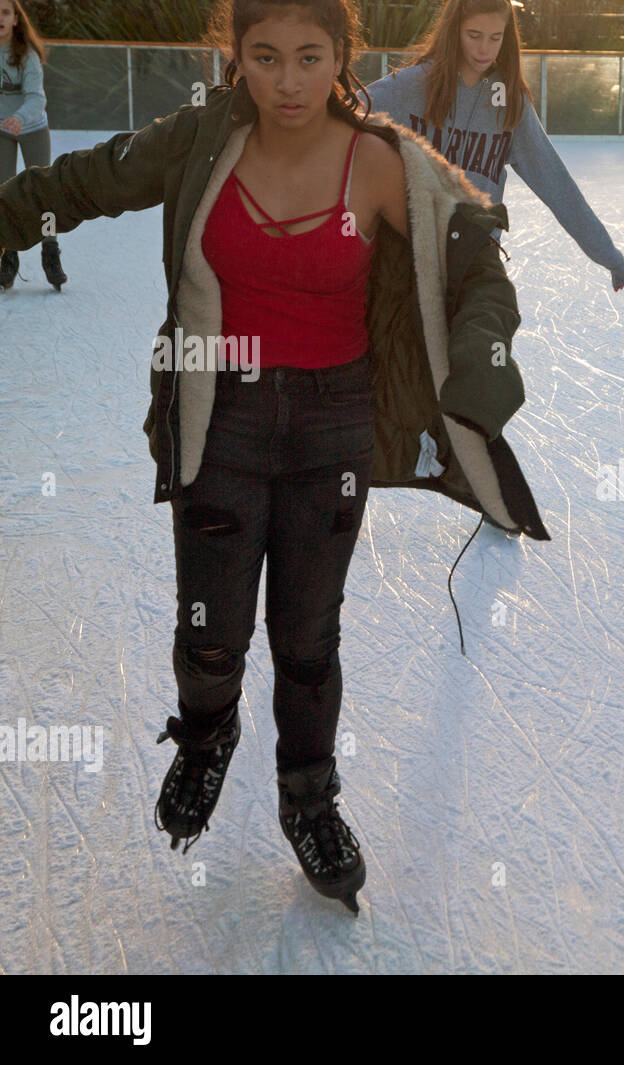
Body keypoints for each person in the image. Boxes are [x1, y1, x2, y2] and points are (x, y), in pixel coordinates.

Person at [0, 0, 549, 915]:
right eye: (265, 57)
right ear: (236, 55)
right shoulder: (198, 141)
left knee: (307, 639)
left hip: (334, 426)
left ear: (342, 54)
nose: (288, 81)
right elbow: (82, 183)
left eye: (308, 56)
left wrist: (489, 347)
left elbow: (477, 252)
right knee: (210, 628)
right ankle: (208, 734)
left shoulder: (382, 162)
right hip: (219, 414)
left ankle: (309, 793)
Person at [366, 0, 624, 291]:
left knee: (487, 333)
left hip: (476, 261)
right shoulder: (411, 86)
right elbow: (339, 119)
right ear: (453, 32)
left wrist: (609, 257)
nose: (484, 49)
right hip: (410, 259)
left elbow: (555, 182)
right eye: (474, 35)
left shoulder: (509, 102)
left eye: (495, 38)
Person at [0, 0, 64, 291]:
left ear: (15, 19)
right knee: (5, 192)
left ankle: (50, 250)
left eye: (5, 12)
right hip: (2, 130)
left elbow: (37, 98)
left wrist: (18, 117)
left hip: (32, 127)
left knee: (43, 191)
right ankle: (8, 255)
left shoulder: (27, 56)